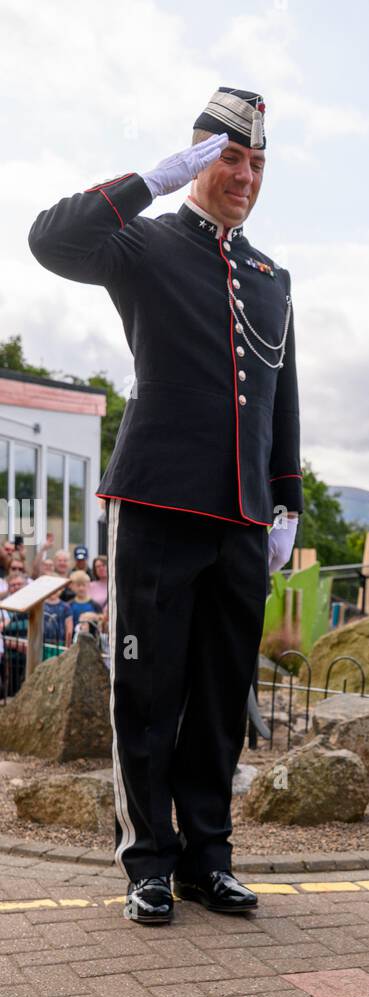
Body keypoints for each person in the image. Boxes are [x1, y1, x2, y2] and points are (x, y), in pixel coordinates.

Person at [29, 85, 303, 926]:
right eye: (229, 158)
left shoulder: (270, 277)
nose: (244, 175)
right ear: (197, 159)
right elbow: (50, 239)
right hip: (155, 502)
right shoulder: (142, 244)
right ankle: (146, 861)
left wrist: (286, 501)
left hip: (241, 518)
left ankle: (205, 860)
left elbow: (282, 397)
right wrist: (151, 179)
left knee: (222, 699)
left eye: (256, 163)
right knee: (148, 693)